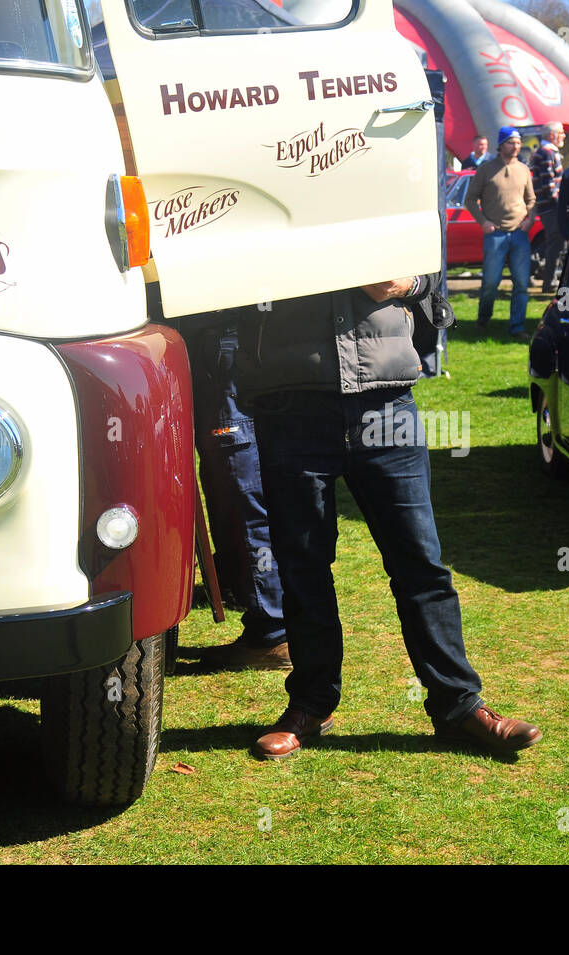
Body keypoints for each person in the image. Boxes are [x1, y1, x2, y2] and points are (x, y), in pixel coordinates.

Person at [231, 277, 542, 759]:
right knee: (302, 566)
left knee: (421, 563)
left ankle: (458, 706)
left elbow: (431, 272)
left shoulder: (391, 197)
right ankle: (311, 704)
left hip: (386, 402)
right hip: (290, 401)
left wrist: (411, 282)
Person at [179, 320, 290, 671]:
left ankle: (273, 632)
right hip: (217, 339)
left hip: (222, 337)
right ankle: (252, 600)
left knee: (240, 490)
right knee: (227, 480)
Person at [464, 125, 536, 340]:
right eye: (510, 142)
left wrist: (530, 219)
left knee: (522, 283)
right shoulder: (486, 168)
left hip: (519, 233)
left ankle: (517, 327)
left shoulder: (523, 169)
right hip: (494, 233)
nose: (515, 146)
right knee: (490, 283)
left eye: (517, 143)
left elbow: (530, 199)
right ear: (501, 145)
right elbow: (470, 199)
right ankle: (483, 319)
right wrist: (483, 222)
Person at [528, 121, 565, 293]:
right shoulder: (548, 153)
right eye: (561, 133)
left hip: (547, 207)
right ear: (552, 135)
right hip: (552, 207)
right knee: (555, 244)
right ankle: (549, 282)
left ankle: (543, 277)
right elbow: (549, 184)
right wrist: (561, 204)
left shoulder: (543, 152)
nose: (563, 136)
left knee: (552, 243)